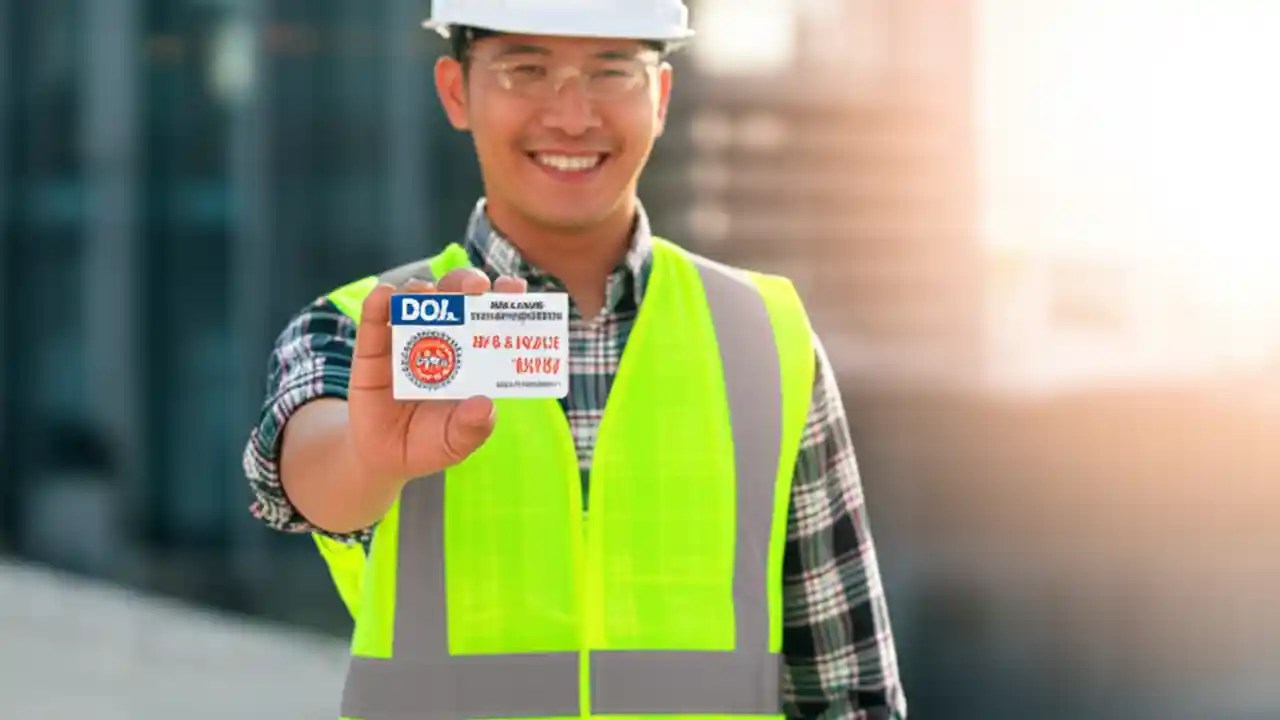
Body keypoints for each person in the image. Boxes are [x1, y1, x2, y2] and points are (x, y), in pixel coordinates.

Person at [241, 1, 908, 718]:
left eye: (611, 70)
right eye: (526, 69)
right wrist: (373, 460)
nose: (571, 114)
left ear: (660, 97)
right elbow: (302, 475)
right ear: (456, 91)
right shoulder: (366, 326)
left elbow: (846, 686)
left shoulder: (764, 334)